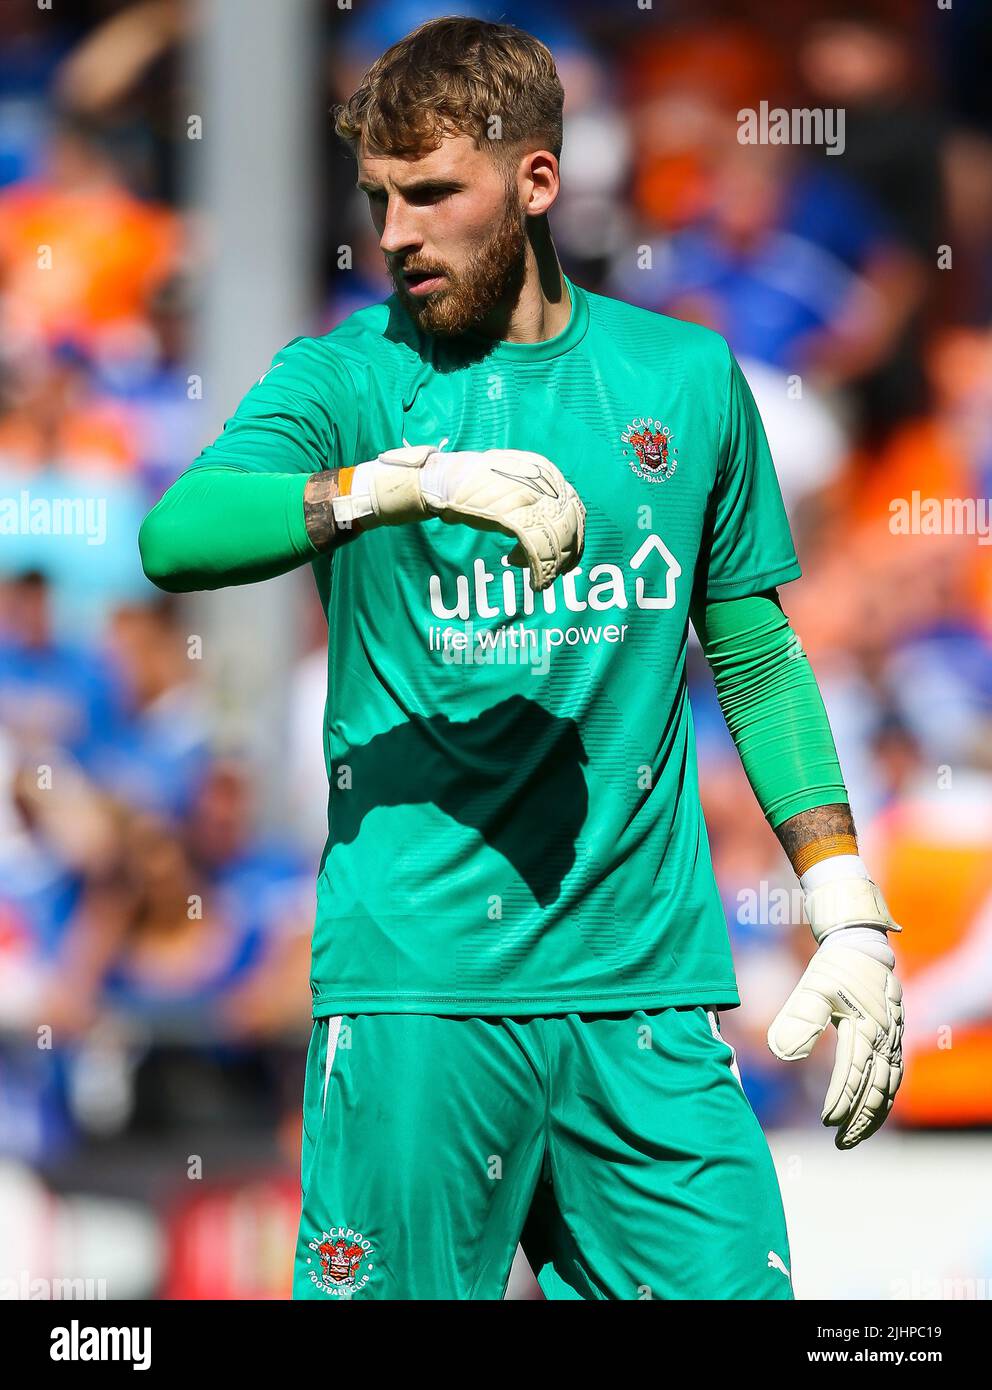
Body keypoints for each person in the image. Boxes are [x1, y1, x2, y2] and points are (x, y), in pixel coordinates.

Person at [138, 17, 903, 1301]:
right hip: (418, 993)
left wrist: (841, 904)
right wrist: (391, 486)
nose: (395, 233)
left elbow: (756, 659)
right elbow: (178, 534)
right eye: (378, 198)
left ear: (536, 183)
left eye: (433, 192)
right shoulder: (345, 380)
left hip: (644, 994)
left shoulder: (684, 376)